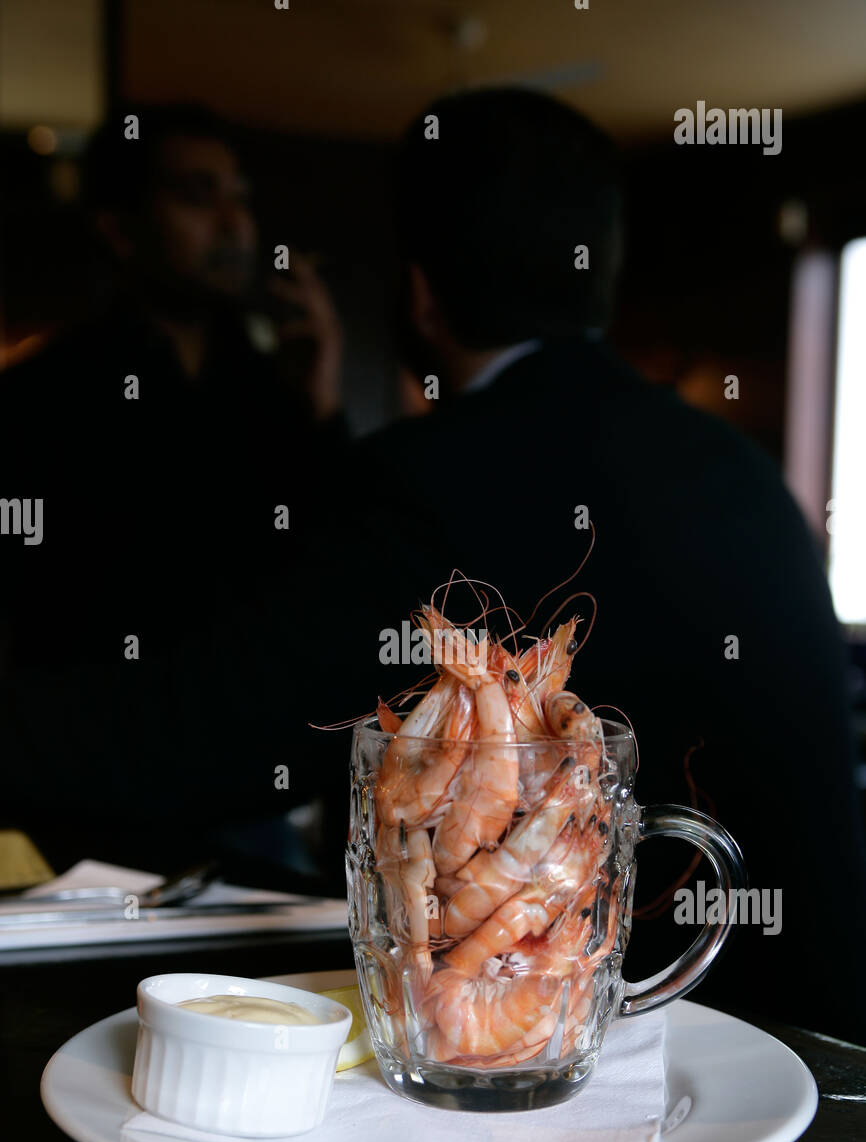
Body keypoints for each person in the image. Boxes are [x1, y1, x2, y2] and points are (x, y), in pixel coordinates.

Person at [353, 87, 866, 1043]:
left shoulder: (414, 473)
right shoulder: (744, 469)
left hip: (658, 1061)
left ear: (422, 293)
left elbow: (206, 727)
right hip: (828, 1046)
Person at [0, 104, 428, 885]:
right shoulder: (41, 395)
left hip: (247, 789)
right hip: (81, 792)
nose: (236, 222)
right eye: (200, 196)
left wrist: (323, 397)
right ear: (121, 227)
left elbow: (334, 562)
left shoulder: (271, 385)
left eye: (242, 196)